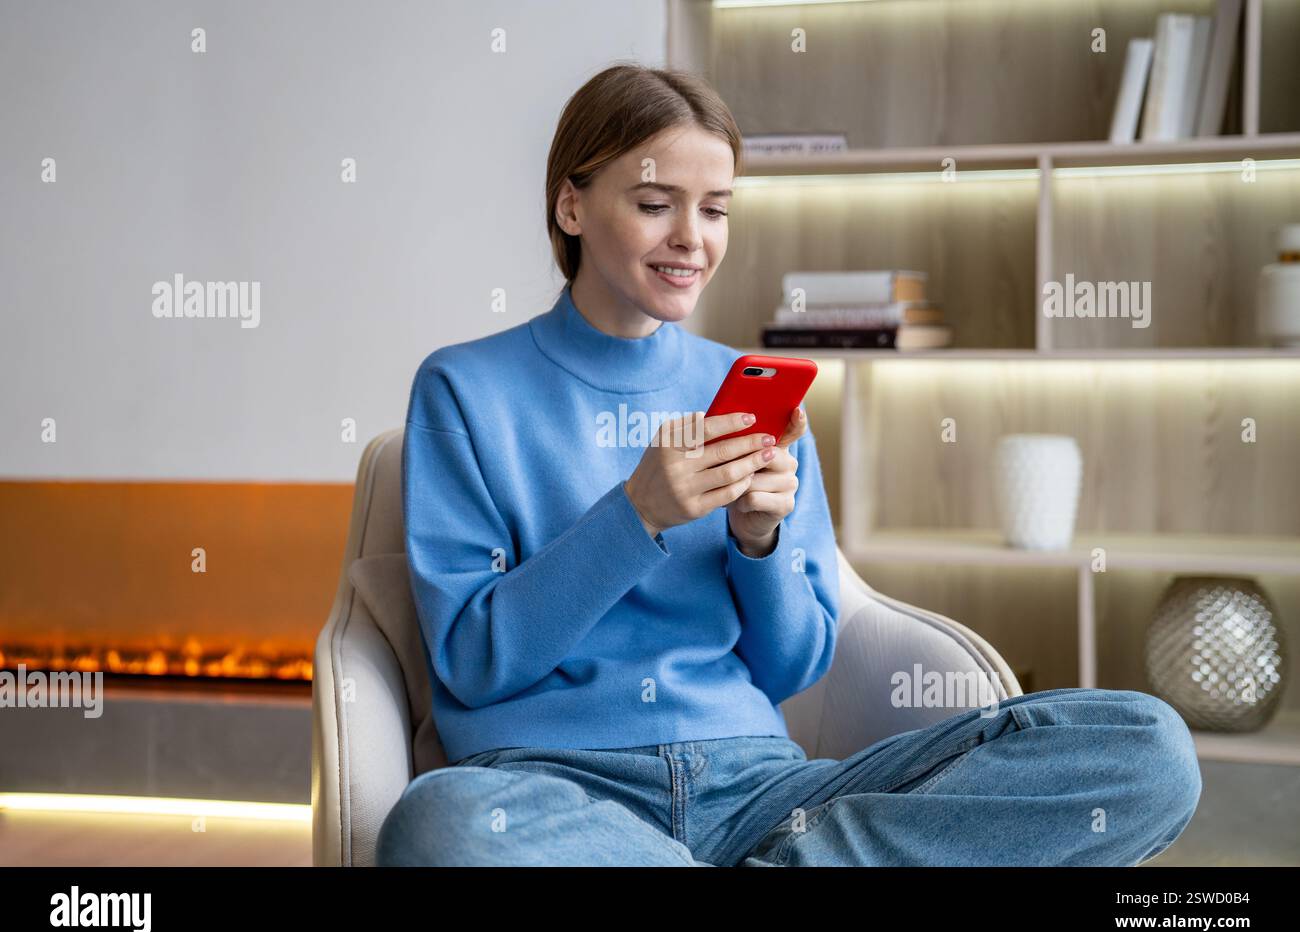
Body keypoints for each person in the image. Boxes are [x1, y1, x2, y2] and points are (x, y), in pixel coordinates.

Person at [377, 63, 1201, 866]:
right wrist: (637, 516)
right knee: (437, 825)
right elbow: (472, 663)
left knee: (1146, 747)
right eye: (656, 203)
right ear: (572, 205)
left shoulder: (746, 391)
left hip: (764, 796)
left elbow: (794, 666)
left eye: (716, 210)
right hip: (555, 796)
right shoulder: (464, 389)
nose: (692, 241)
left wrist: (760, 543)